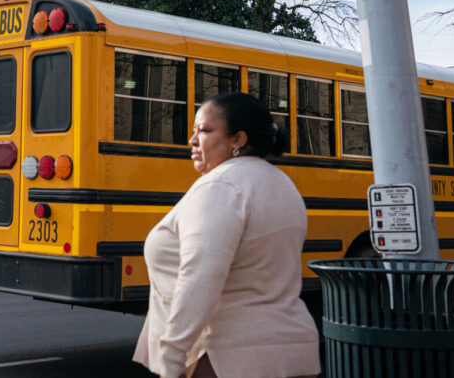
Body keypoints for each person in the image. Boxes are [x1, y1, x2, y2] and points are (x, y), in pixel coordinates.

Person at [134, 92, 320, 378]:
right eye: (194, 130)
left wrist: (171, 356)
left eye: (204, 130)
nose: (192, 140)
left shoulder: (219, 187)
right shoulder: (282, 183)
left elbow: (199, 278)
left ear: (238, 140)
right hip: (292, 349)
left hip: (227, 357)